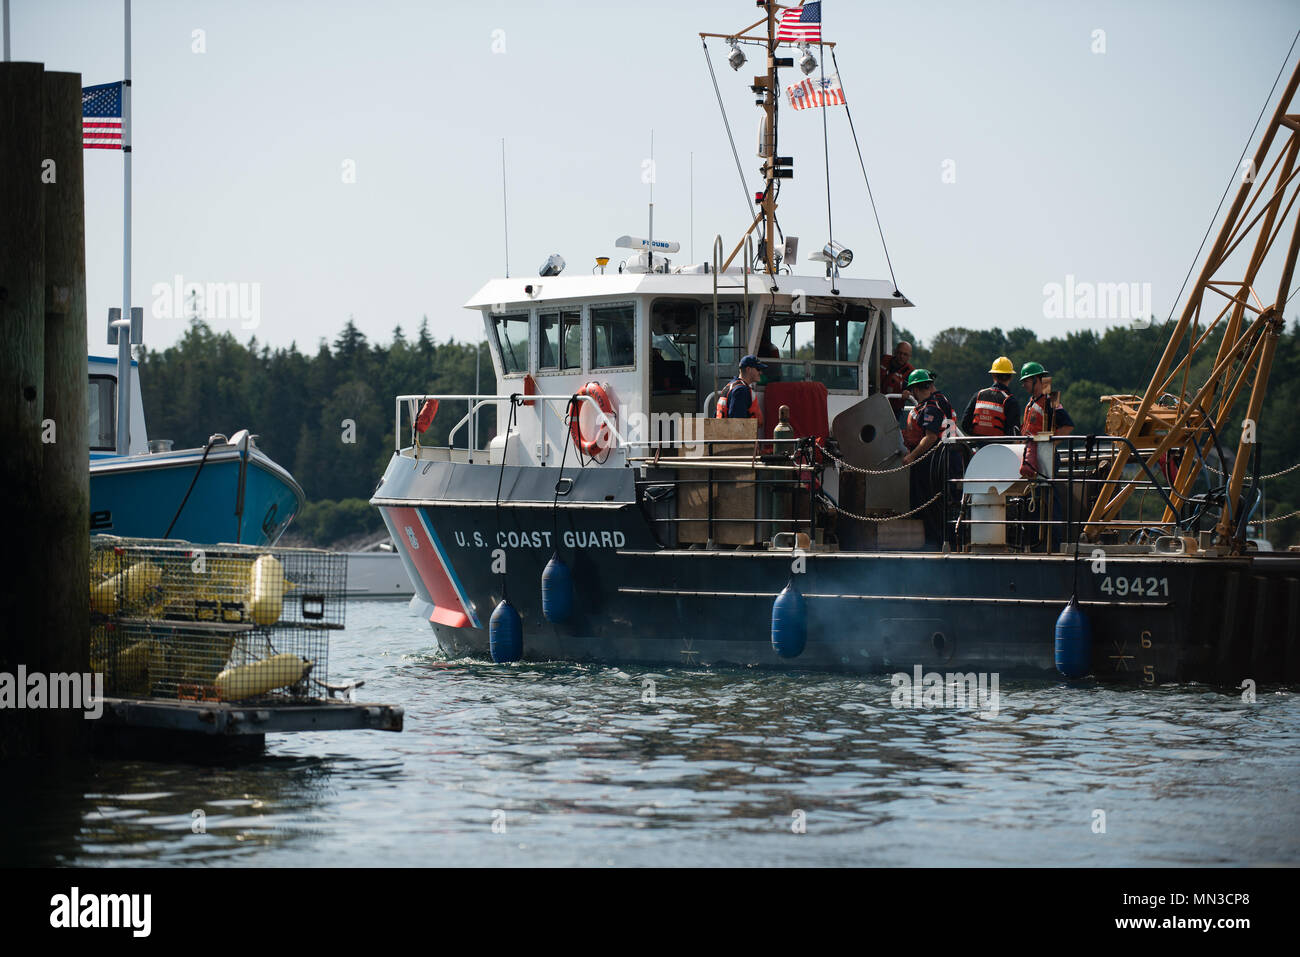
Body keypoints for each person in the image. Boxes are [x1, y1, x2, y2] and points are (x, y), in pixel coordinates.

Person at [900, 369, 961, 547]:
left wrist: (911, 456)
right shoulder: (941, 401)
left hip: (933, 463)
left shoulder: (931, 407)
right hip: (945, 460)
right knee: (941, 508)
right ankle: (943, 543)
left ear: (916, 389)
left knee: (929, 508)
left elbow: (931, 436)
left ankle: (934, 546)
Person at [961, 356, 1022, 437]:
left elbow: (965, 424)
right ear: (1010, 377)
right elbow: (1014, 433)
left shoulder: (978, 395)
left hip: (978, 447)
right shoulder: (1010, 401)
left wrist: (977, 438)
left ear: (993, 375)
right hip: (1000, 448)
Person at [1019, 361, 1074, 436]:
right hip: (1028, 447)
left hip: (1043, 447)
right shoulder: (1031, 402)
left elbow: (1068, 427)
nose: (1023, 385)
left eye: (1026, 381)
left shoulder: (1051, 400)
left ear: (1036, 379)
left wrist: (1050, 443)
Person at [716, 354, 766, 425]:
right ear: (748, 369)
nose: (760, 372)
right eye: (758, 369)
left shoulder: (730, 386)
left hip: (723, 433)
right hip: (733, 435)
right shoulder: (741, 391)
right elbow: (738, 423)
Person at [879, 340, 914, 416]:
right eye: (900, 353)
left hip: (894, 410)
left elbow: (914, 393)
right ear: (895, 351)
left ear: (909, 356)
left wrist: (908, 393)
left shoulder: (911, 372)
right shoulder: (883, 359)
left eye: (905, 354)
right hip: (875, 403)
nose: (901, 356)